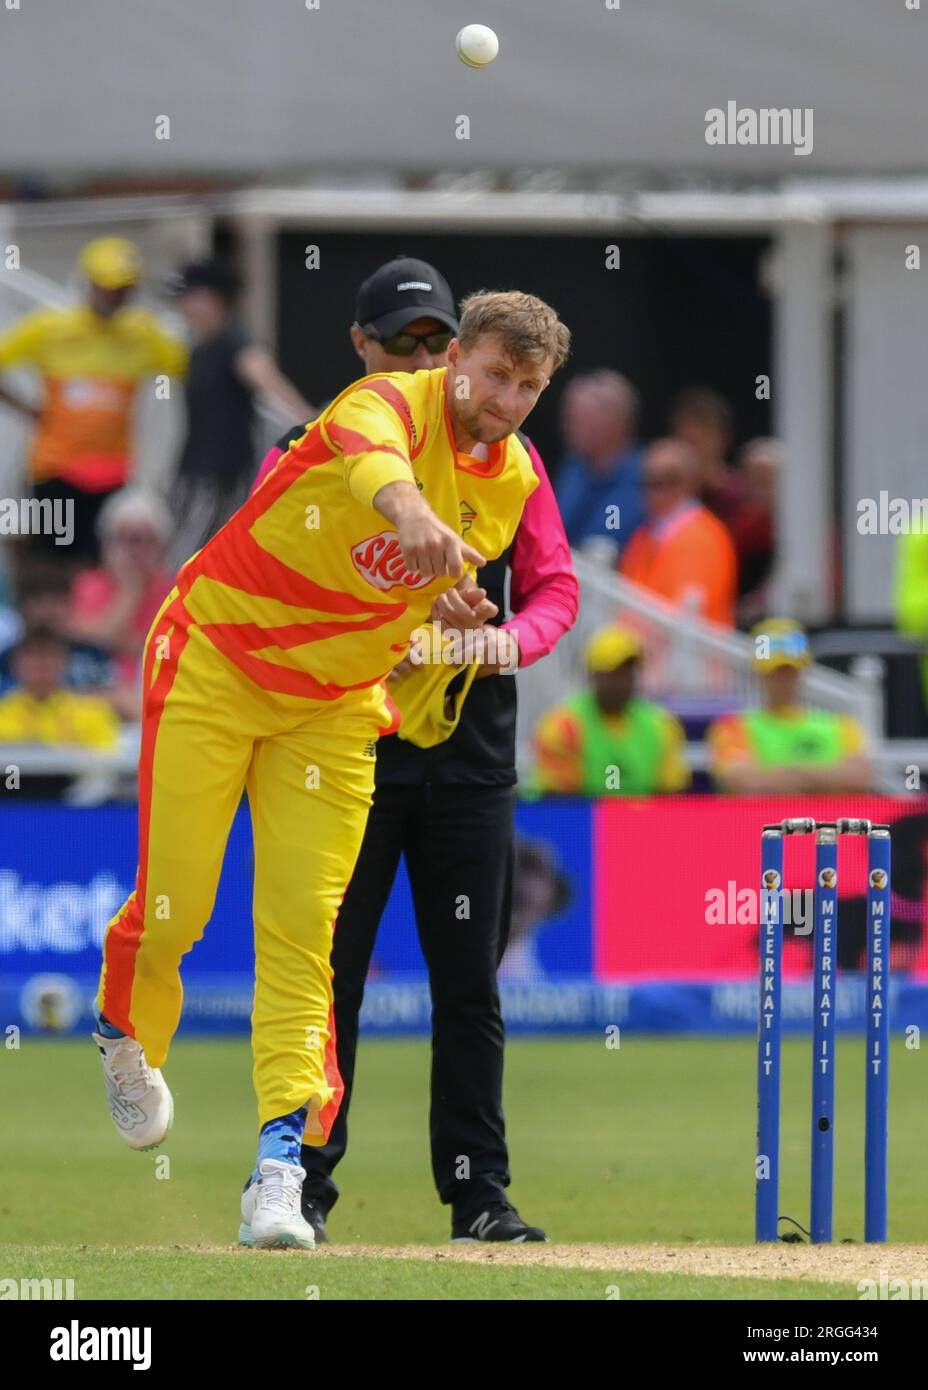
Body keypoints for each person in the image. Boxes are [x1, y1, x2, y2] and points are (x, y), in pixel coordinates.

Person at [92, 288, 571, 1252]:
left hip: (335, 707)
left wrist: (449, 609)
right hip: (216, 659)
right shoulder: (382, 403)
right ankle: (121, 1032)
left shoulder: (513, 476)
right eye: (495, 375)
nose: (508, 400)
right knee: (176, 907)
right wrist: (413, 518)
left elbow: (403, 584)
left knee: (305, 937)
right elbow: (380, 482)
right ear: (457, 360)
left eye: (530, 386)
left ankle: (278, 1172)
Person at [249, 258, 579, 1244]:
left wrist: (501, 641)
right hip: (346, 743)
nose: (431, 363)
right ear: (363, 350)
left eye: (441, 345)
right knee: (328, 973)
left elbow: (554, 587)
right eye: (412, 347)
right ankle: (297, 1183)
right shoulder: (309, 449)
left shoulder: (516, 469)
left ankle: (478, 1194)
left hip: (468, 753)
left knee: (468, 984)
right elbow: (272, 576)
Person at [0, 238, 187, 562]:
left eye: (123, 289)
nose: (116, 297)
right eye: (109, 288)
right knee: (52, 565)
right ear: (88, 283)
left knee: (104, 566)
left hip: (114, 473)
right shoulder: (51, 328)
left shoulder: (142, 334)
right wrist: (25, 409)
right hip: (55, 469)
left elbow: (192, 369)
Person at [168, 260, 314, 565]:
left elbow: (272, 387)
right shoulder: (198, 350)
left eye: (190, 296)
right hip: (194, 470)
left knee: (194, 558)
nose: (183, 305)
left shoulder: (235, 343)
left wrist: (313, 426)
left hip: (223, 476)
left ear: (213, 298)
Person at [707, 619, 874, 793]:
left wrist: (778, 776)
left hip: (824, 819)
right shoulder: (732, 726)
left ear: (803, 672)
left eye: (789, 671)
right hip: (762, 819)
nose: (783, 680)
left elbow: (860, 776)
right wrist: (824, 776)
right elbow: (743, 780)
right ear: (758, 674)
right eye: (775, 672)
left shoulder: (839, 725)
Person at [530, 626, 690, 795]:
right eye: (614, 673)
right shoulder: (564, 727)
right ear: (593, 675)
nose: (623, 681)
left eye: (628, 672)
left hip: (642, 818)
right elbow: (558, 805)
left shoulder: (661, 725)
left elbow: (671, 797)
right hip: (584, 819)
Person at [68, 488, 174, 719]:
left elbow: (168, 650)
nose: (135, 550)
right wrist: (131, 588)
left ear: (161, 545)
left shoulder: (173, 588)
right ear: (107, 542)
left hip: (157, 692)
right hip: (96, 691)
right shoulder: (88, 583)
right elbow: (99, 638)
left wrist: (128, 643)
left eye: (145, 540)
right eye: (126, 539)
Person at [619, 438, 738, 627]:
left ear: (690, 483)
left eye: (662, 482)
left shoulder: (704, 537)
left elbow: (685, 612)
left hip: (694, 653)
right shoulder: (644, 535)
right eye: (646, 482)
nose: (650, 492)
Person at [554, 370, 645, 554]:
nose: (567, 427)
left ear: (612, 423)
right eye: (568, 418)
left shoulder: (646, 479)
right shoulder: (573, 467)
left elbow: (609, 540)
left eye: (579, 419)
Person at [0, 626, 120, 751]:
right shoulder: (2, 713)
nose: (41, 664)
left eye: (49, 655)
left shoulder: (93, 713)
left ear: (65, 663)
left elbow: (106, 763)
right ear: (15, 664)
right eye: (33, 656)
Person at [668, 387, 738, 521]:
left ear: (724, 437)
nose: (693, 436)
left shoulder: (739, 499)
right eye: (684, 435)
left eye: (704, 432)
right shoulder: (665, 499)